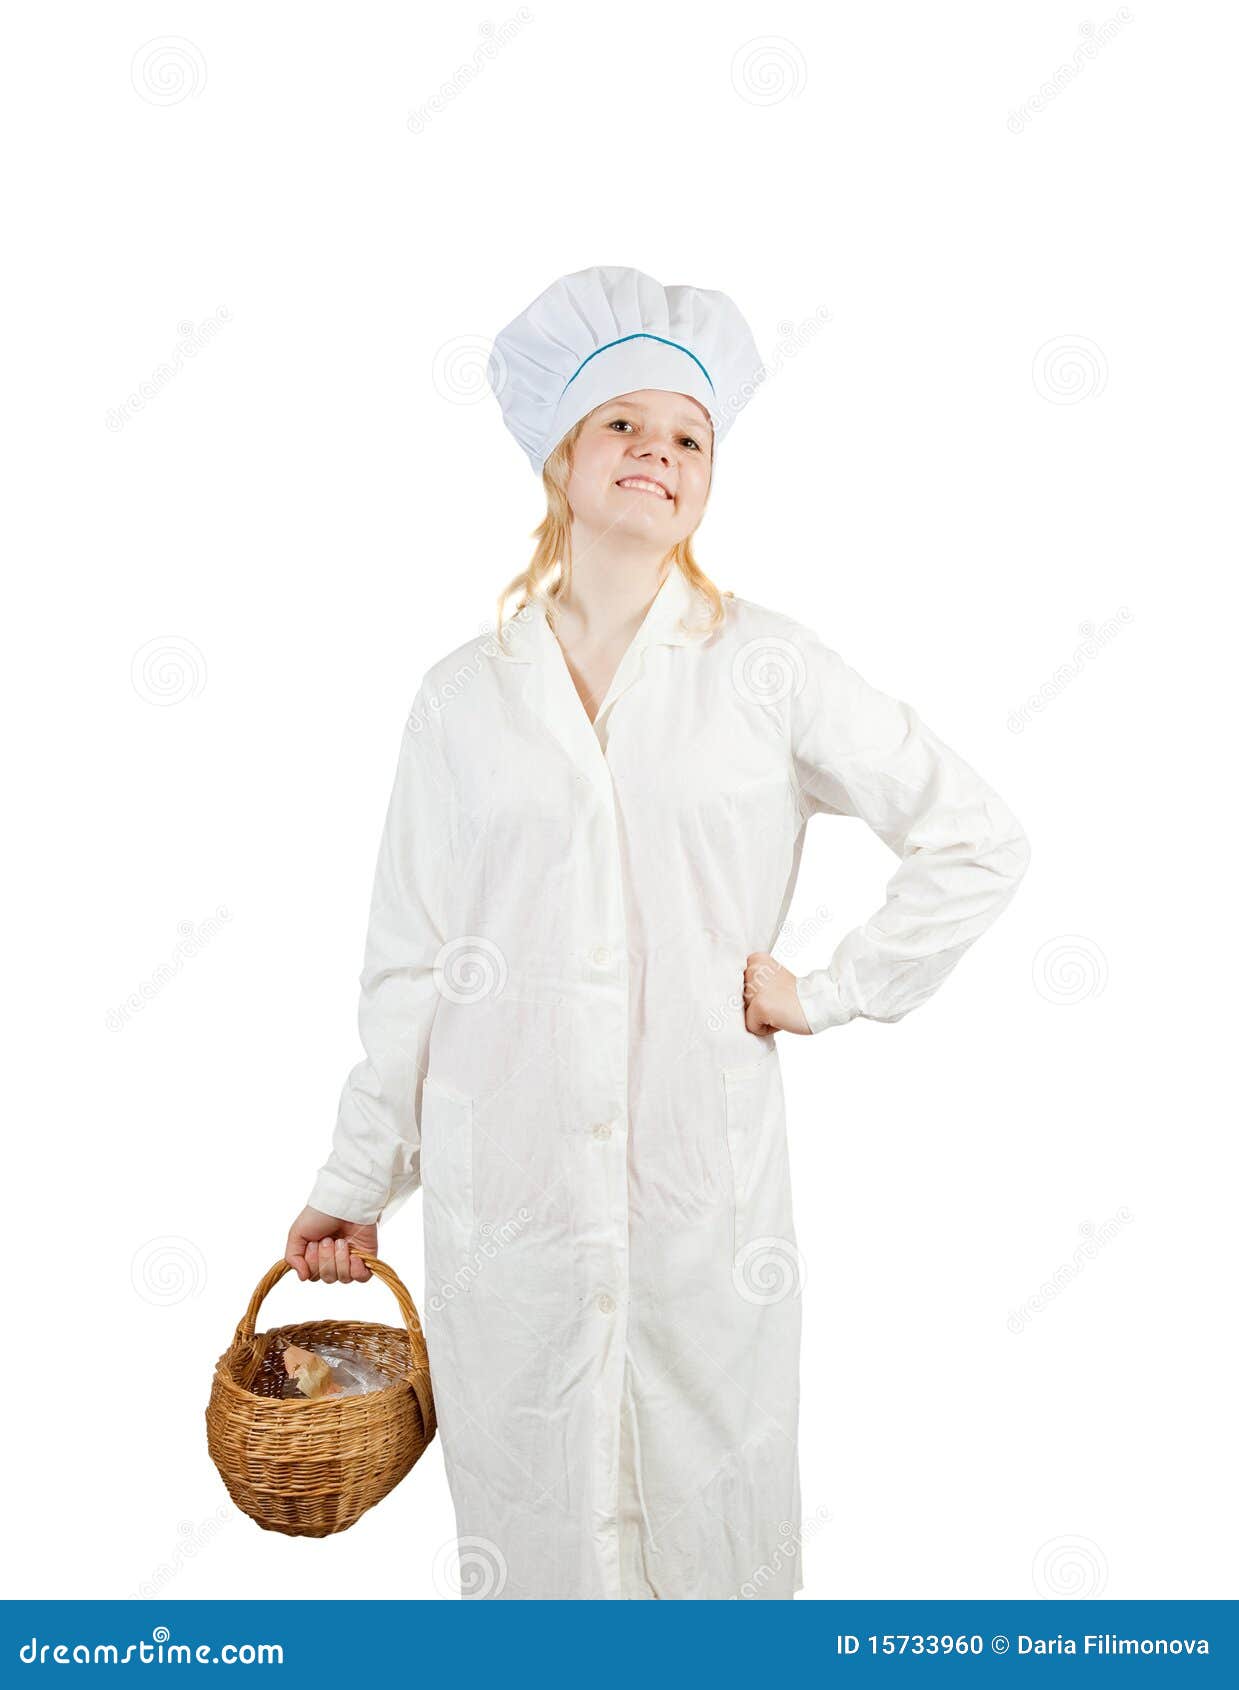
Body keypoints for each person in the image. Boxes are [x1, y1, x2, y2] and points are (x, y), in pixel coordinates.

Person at [284, 265, 1031, 1600]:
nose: (659, 452)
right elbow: (409, 964)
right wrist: (355, 1180)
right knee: (533, 1571)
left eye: (688, 435)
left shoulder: (768, 668)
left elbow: (975, 837)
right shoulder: (461, 701)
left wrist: (831, 986)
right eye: (624, 423)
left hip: (705, 1206)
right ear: (563, 456)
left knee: (716, 1554)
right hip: (504, 1210)